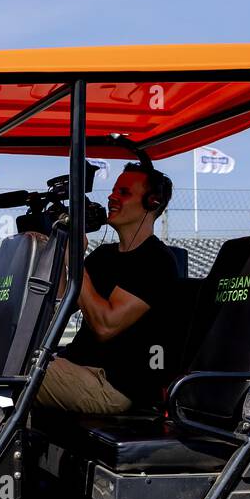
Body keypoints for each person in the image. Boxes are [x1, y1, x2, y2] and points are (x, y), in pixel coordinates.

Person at [37, 162, 178, 414]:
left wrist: (76, 260)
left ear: (152, 203)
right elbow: (57, 308)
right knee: (8, 357)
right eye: (114, 191)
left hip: (113, 385)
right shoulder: (104, 255)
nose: (112, 197)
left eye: (124, 192)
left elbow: (105, 325)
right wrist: (57, 249)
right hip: (78, 368)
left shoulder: (155, 260)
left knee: (15, 367)